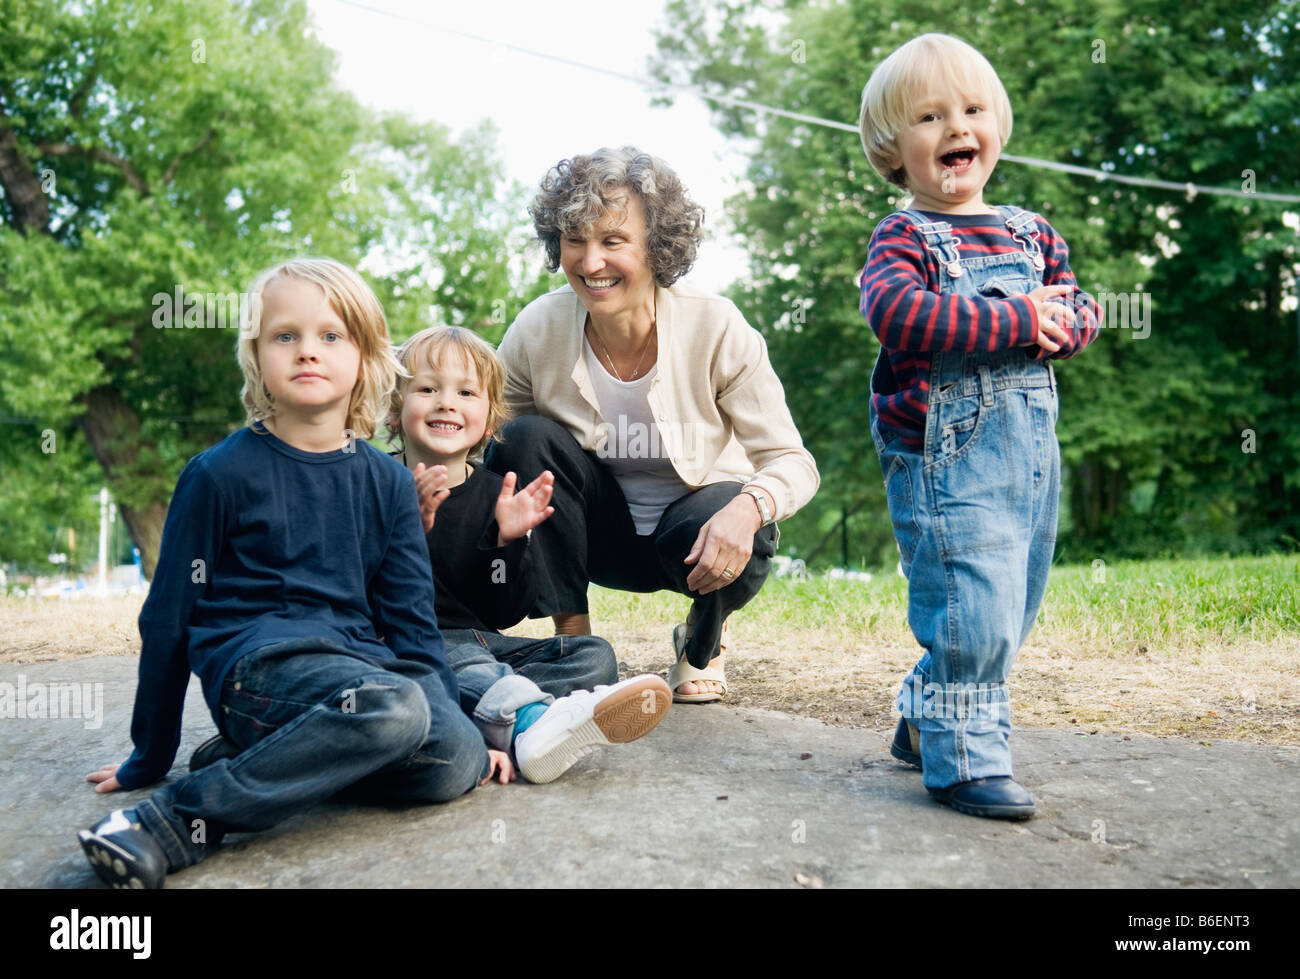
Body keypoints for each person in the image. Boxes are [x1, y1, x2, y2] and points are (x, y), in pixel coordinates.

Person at [79, 258, 495, 889]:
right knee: (396, 709)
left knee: (453, 759)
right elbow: (168, 618)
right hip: (258, 669)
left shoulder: (386, 482)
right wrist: (150, 752)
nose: (308, 351)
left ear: (364, 356)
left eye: (331, 336)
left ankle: (276, 754)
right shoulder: (218, 474)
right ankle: (166, 823)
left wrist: (458, 723)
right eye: (285, 336)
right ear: (257, 354)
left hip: (361, 675)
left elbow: (412, 628)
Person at [857, 33, 1101, 818]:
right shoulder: (904, 236)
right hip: (944, 457)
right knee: (976, 605)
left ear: (996, 126)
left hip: (1027, 454)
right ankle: (965, 760)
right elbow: (895, 312)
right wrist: (1011, 321)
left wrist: (1071, 324)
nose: (955, 126)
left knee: (1011, 600)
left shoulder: (1032, 233)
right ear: (895, 153)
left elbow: (1074, 302)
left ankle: (925, 718)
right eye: (929, 117)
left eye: (971, 110)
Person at [489, 147, 819, 704]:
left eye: (612, 241)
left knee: (747, 509)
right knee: (522, 438)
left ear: (657, 246)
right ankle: (574, 646)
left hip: (691, 536)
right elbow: (486, 436)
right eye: (575, 239)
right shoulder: (537, 327)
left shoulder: (716, 325)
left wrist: (747, 508)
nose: (591, 262)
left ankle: (701, 644)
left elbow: (793, 462)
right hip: (595, 536)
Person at [389, 325, 672, 783]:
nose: (447, 403)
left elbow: (503, 612)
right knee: (462, 663)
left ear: (490, 417)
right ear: (396, 406)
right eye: (427, 389)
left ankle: (489, 712)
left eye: (466, 392)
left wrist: (507, 544)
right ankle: (529, 723)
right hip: (410, 643)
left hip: (484, 644)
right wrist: (404, 524)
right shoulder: (375, 483)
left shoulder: (496, 494)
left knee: (593, 655)